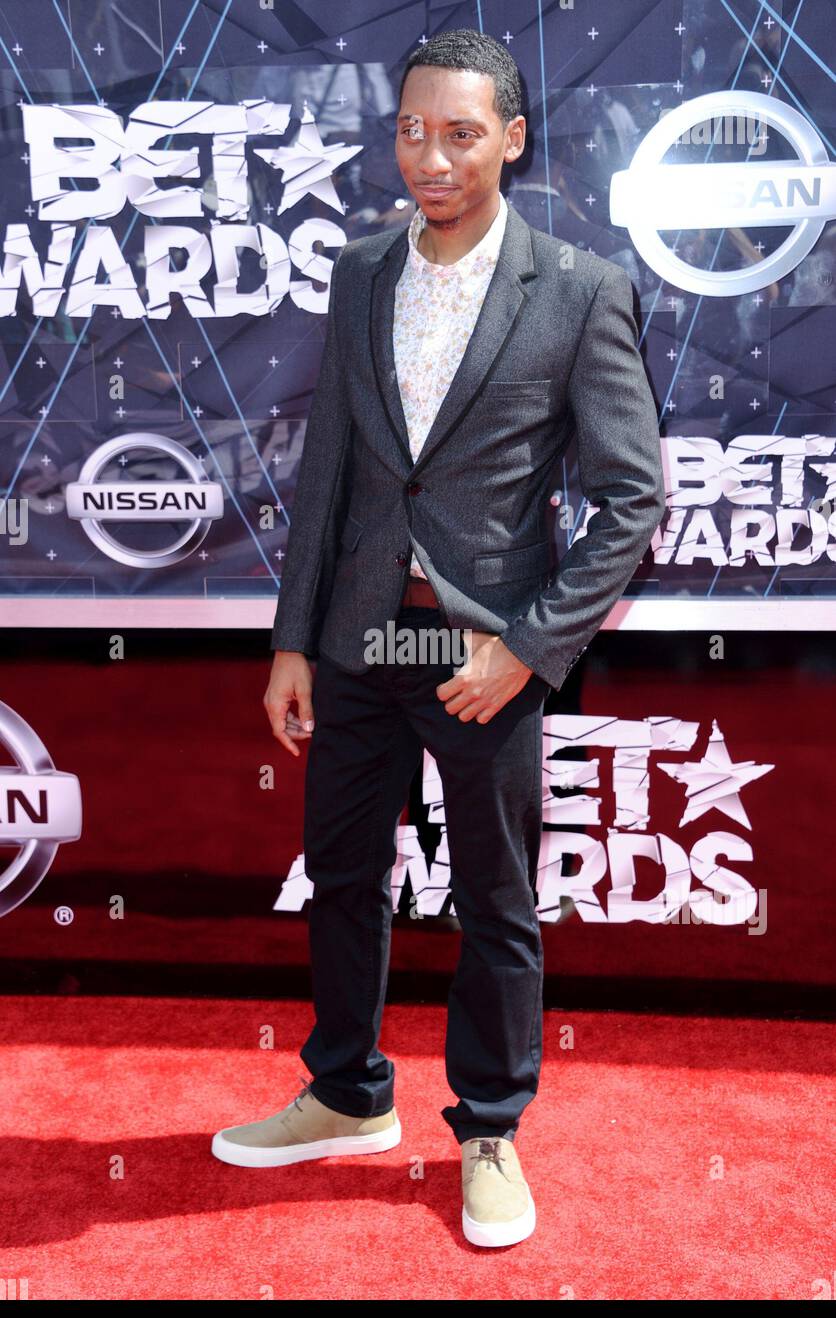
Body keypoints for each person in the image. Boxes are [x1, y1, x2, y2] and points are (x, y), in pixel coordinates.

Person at [212, 29, 666, 1249]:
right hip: (359, 640)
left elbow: (632, 499)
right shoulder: (361, 272)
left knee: (497, 903)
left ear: (511, 139)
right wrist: (291, 637)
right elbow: (333, 474)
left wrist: (524, 646)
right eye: (411, 129)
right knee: (341, 878)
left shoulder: (576, 289)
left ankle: (487, 1131)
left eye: (459, 133)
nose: (429, 156)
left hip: (483, 658)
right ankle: (349, 1090)